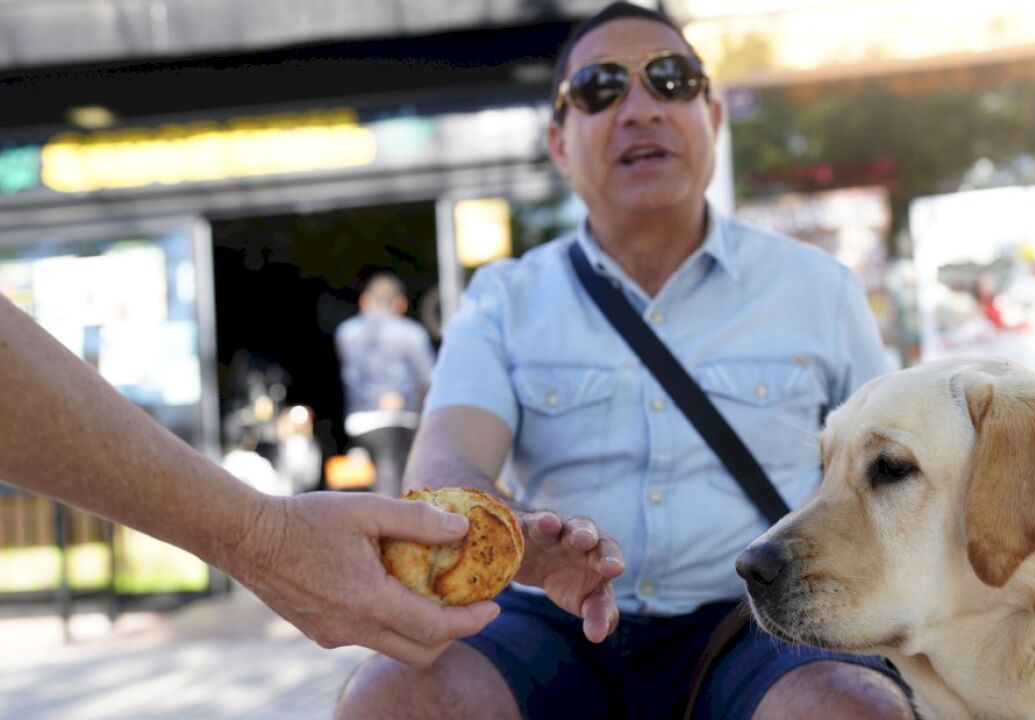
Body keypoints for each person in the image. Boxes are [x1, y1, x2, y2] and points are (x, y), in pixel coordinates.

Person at [338, 4, 914, 719]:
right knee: (392, 696)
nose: (640, 110)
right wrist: (519, 539)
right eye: (600, 90)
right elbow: (442, 470)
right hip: (548, 622)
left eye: (669, 81)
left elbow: (896, 473)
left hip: (759, 617)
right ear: (558, 142)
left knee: (849, 708)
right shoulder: (502, 299)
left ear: (712, 116)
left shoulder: (817, 287)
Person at [0, 292, 498, 667]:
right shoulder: (422, 329)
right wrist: (263, 537)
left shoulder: (350, 333)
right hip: (402, 420)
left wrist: (260, 535)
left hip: (363, 420)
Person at [335, 272, 436, 496]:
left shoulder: (345, 332)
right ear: (400, 304)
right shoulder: (412, 333)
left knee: (368, 479)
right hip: (400, 418)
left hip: (359, 420)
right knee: (395, 477)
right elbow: (429, 380)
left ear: (365, 301)